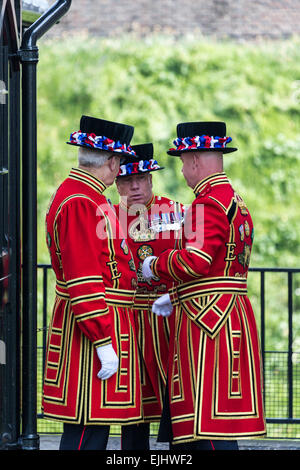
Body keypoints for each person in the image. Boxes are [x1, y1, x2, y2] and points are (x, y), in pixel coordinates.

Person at [142, 121, 266, 450]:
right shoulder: (235, 200)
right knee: (215, 420)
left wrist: (155, 266)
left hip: (206, 321)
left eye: (183, 162)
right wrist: (176, 293)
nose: (183, 171)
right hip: (228, 312)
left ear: (195, 160)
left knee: (202, 423)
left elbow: (197, 261)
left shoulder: (205, 203)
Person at [42, 115, 143, 450]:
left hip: (98, 320)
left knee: (94, 427)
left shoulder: (85, 195)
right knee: (88, 428)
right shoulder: (81, 201)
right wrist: (102, 340)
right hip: (93, 325)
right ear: (112, 162)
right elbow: (83, 277)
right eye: (121, 163)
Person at [114, 143, 184, 449]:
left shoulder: (176, 212)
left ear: (151, 180)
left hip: (169, 317)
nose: (135, 186)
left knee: (179, 400)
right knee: (134, 407)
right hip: (129, 319)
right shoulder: (109, 217)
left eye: (140, 178)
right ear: (116, 183)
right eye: (127, 180)